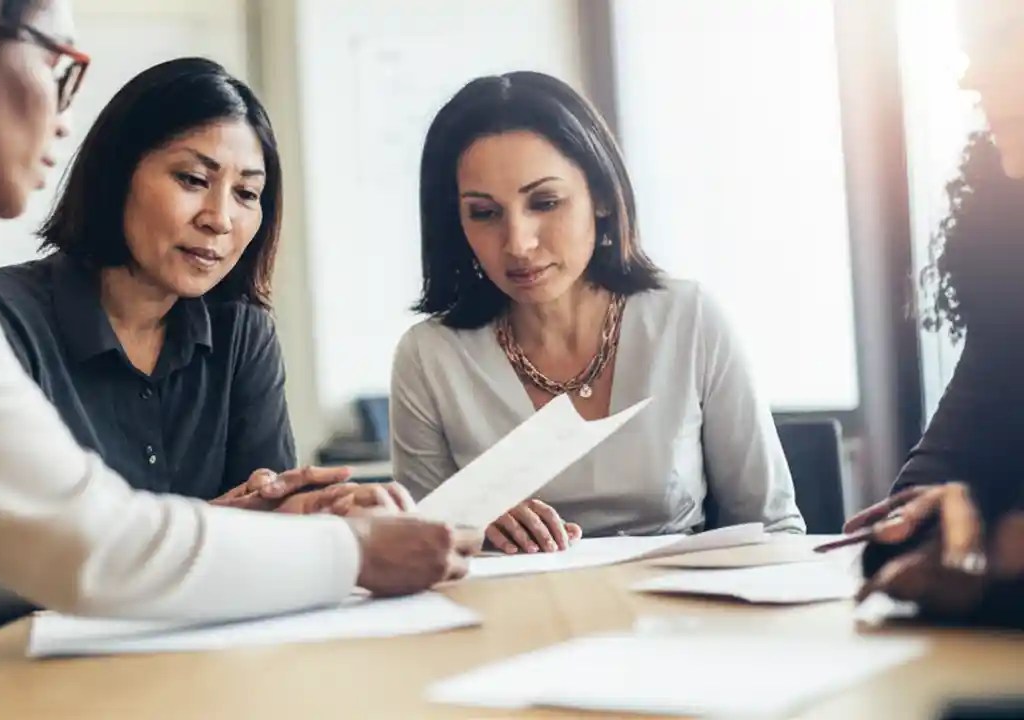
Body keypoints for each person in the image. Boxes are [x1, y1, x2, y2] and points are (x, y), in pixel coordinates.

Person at [0, 1, 478, 715]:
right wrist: (349, 552)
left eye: (247, 194)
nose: (64, 115)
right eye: (58, 64)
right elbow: (81, 540)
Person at [390, 71, 805, 556]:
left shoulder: (689, 319)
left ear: (603, 198)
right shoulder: (429, 355)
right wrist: (469, 525)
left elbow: (773, 529)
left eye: (545, 202)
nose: (518, 244)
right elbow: (416, 555)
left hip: (678, 614)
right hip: (513, 620)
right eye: (484, 213)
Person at [0, 58, 410, 515]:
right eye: (193, 179)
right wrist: (217, 529)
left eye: (246, 194)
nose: (219, 219)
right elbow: (7, 544)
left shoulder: (241, 331)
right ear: (116, 172)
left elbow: (273, 523)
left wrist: (325, 514)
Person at [846, 0, 1024, 627]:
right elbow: (913, 510)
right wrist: (946, 523)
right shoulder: (1008, 251)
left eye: (1004, 36)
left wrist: (993, 542)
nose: (971, 77)